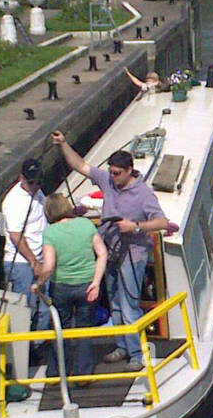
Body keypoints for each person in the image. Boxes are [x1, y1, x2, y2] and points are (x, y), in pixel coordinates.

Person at [49, 133, 169, 370]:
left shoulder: (144, 194)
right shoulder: (107, 181)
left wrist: (134, 226)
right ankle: (121, 346)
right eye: (111, 172)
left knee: (129, 306)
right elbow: (80, 165)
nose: (112, 177)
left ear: (129, 171)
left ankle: (136, 354)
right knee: (114, 302)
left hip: (131, 256)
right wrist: (63, 144)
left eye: (117, 173)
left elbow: (162, 222)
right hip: (110, 254)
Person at [34, 193, 108, 378]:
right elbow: (102, 253)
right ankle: (83, 374)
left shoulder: (50, 233)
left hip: (62, 288)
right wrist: (96, 282)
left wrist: (38, 284)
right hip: (87, 286)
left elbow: (49, 266)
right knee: (84, 329)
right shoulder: (86, 224)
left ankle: (57, 371)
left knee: (60, 329)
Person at [2, 157, 48, 333]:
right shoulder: (14, 201)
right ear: (21, 178)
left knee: (43, 309)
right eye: (31, 182)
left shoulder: (37, 193)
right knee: (24, 311)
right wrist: (34, 262)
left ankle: (37, 347)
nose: (36, 185)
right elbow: (16, 236)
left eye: (39, 181)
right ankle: (23, 354)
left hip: (41, 259)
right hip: (22, 265)